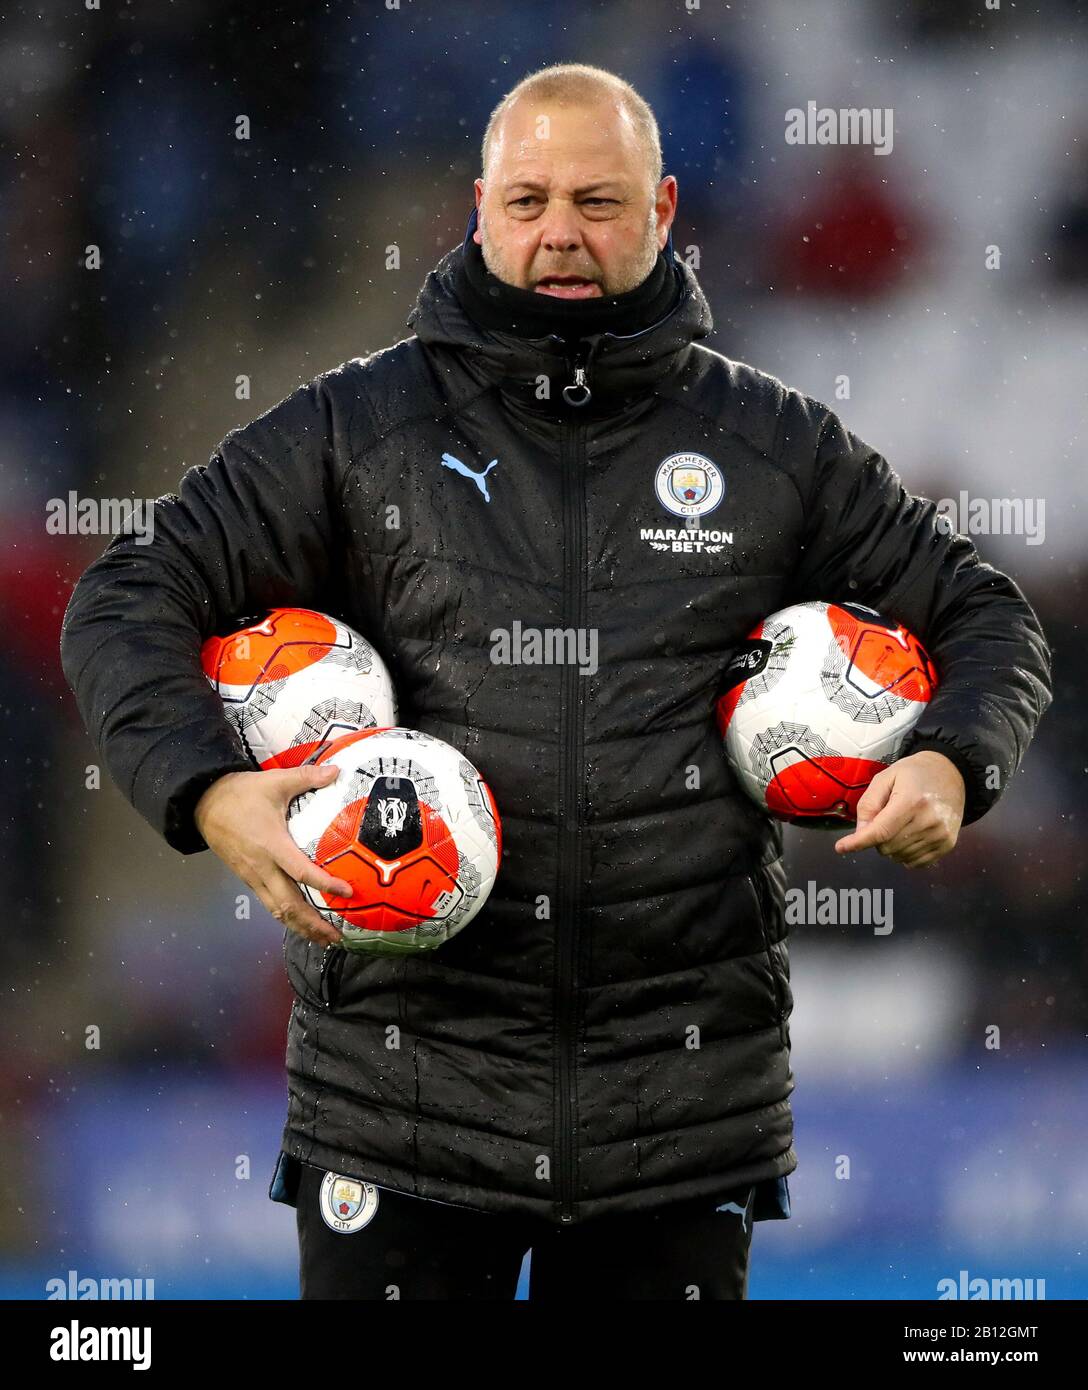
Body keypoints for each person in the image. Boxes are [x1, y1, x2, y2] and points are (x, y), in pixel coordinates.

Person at [59, 63, 1053, 1301]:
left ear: (664, 206)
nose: (559, 234)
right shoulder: (351, 432)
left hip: (678, 1127)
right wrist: (208, 791)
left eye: (597, 198)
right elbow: (124, 595)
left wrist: (952, 759)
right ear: (479, 207)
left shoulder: (773, 445)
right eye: (527, 200)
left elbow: (981, 615)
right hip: (399, 1112)